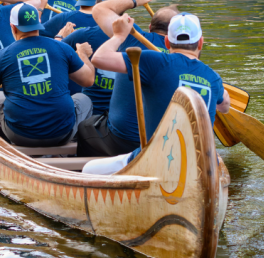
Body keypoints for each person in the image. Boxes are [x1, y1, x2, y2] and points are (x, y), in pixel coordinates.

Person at [83, 12, 230, 175]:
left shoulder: (154, 61)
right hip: (200, 166)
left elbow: (99, 58)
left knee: (87, 169)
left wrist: (119, 35)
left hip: (156, 160)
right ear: (201, 43)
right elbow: (224, 106)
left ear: (167, 42)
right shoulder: (213, 78)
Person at [0, 3, 95, 147]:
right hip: (62, 134)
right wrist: (82, 54)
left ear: (13, 27)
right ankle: (78, 147)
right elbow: (88, 80)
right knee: (84, 99)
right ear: (39, 24)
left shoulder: (3, 55)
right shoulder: (62, 47)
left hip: (20, 136)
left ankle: (3, 146)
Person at [76, 0, 181, 158]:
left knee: (84, 127)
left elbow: (99, 10)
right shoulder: (188, 60)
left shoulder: (134, 38)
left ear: (149, 27)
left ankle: (85, 172)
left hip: (124, 139)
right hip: (164, 140)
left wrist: (133, 0)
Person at [61, 0, 126, 117]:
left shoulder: (82, 34)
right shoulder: (142, 38)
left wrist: (59, 37)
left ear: (97, 5)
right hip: (124, 115)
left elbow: (53, 53)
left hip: (91, 113)